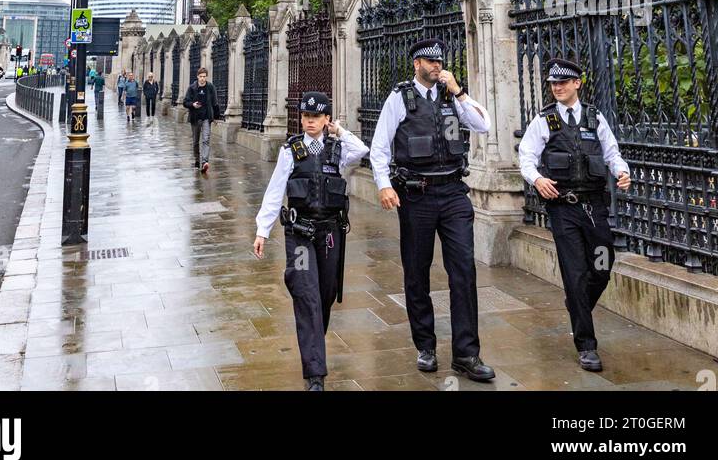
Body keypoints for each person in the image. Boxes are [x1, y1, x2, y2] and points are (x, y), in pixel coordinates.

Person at [369, 37, 495, 382]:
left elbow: (483, 124)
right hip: (417, 196)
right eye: (429, 61)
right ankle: (425, 346)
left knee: (463, 272)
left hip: (454, 194)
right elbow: (379, 148)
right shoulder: (399, 98)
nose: (436, 66)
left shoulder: (451, 97)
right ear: (416, 64)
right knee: (416, 272)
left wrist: (459, 91)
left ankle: (467, 354)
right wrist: (383, 184)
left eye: (439, 61)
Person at [518, 57, 630, 372]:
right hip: (562, 207)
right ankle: (587, 346)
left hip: (594, 206)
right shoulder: (545, 120)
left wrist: (621, 171)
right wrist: (537, 179)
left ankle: (576, 305)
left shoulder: (595, 118)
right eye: (554, 83)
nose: (558, 88)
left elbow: (612, 152)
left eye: (564, 83)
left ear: (577, 84)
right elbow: (526, 156)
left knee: (603, 265)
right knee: (575, 275)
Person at [253, 91, 368, 391]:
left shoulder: (337, 149)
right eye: (306, 117)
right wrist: (262, 231)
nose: (310, 122)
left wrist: (339, 131)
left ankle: (314, 337)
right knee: (307, 295)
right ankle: (314, 373)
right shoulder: (291, 150)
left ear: (326, 119)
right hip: (301, 234)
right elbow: (275, 190)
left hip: (329, 233)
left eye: (316, 117)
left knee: (325, 294)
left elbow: (362, 149)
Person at [182, 67, 222, 172]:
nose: (203, 79)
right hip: (195, 118)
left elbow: (215, 103)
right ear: (197, 77)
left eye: (204, 77)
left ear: (206, 77)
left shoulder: (210, 87)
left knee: (206, 140)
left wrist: (216, 117)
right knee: (195, 141)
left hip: (206, 118)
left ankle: (205, 162)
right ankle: (197, 159)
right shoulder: (192, 88)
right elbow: (185, 102)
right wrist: (193, 104)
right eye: (201, 77)